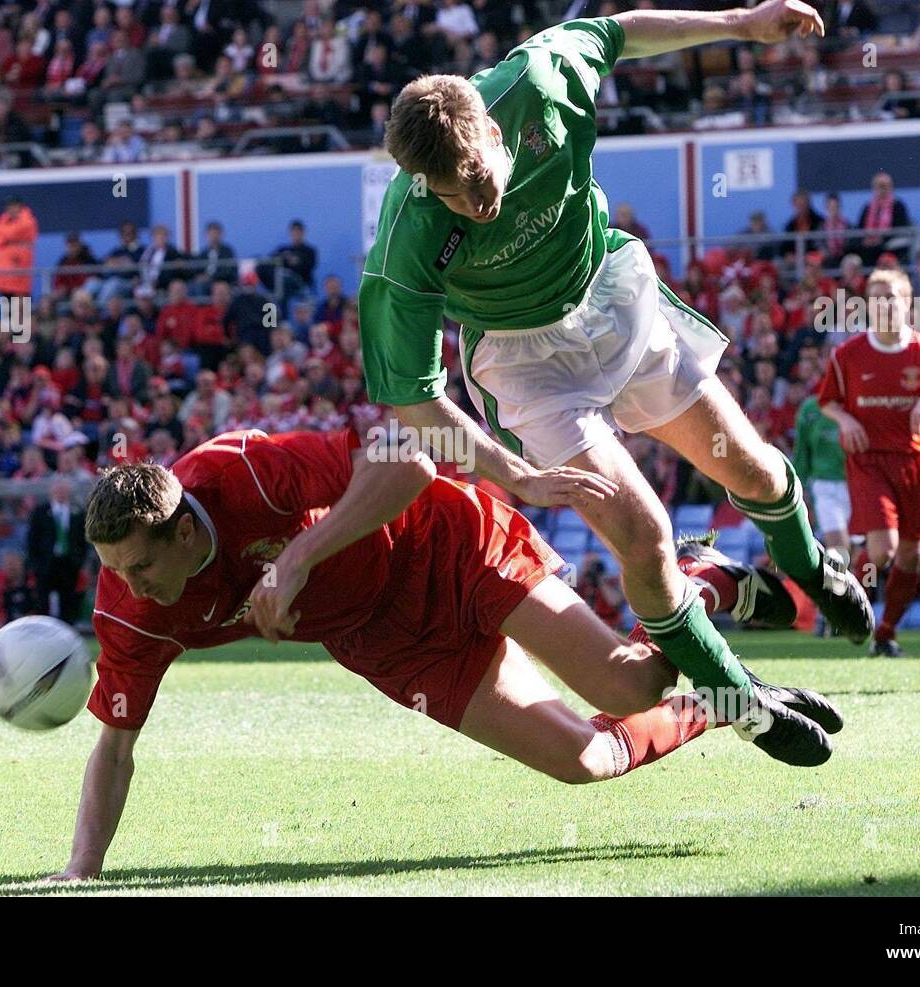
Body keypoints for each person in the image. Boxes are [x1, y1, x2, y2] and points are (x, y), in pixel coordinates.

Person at [356, 3, 869, 763]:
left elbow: (620, 31)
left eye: (477, 180)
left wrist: (742, 22)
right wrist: (515, 476)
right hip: (525, 365)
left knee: (753, 467)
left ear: (496, 133)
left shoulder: (539, 76)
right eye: (452, 195)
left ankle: (806, 569)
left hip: (610, 300)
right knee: (644, 532)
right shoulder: (408, 231)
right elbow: (410, 395)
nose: (475, 204)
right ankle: (742, 700)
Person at [47, 429, 841, 880]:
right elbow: (115, 746)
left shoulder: (244, 468)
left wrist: (296, 559)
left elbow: (410, 453)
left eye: (141, 566)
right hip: (387, 640)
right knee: (587, 759)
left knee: (629, 682)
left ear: (183, 528)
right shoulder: (132, 611)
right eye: (115, 572)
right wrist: (83, 870)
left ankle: (693, 575)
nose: (131, 587)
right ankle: (719, 702)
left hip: (449, 542)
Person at [817, 270, 920, 656]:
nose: (882, 305)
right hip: (869, 461)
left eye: (891, 298)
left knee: (912, 554)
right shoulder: (847, 355)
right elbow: (827, 401)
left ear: (906, 304)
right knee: (883, 548)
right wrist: (845, 418)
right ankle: (847, 606)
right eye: (875, 298)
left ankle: (886, 633)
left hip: (916, 462)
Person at [792, 392, 850, 565]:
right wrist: (799, 487)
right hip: (824, 486)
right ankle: (837, 590)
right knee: (838, 548)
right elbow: (801, 452)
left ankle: (861, 590)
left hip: (860, 486)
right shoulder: (810, 409)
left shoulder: (860, 402)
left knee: (860, 552)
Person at [27, 478, 89, 623]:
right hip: (46, 563)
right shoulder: (40, 512)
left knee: (68, 601)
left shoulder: (77, 512)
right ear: (51, 491)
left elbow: (82, 540)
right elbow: (33, 540)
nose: (61, 493)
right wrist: (35, 564)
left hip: (69, 564)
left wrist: (79, 561)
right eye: (58, 489)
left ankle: (66, 633)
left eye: (64, 490)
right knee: (43, 602)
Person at [0, 195, 38, 299]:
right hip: (3, 277)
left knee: (22, 310)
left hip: (19, 274)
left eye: (12, 206)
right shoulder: (3, 220)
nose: (9, 209)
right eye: (7, 206)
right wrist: (5, 238)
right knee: (7, 312)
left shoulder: (28, 220)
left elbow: (13, 232)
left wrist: (3, 236)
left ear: (20, 206)